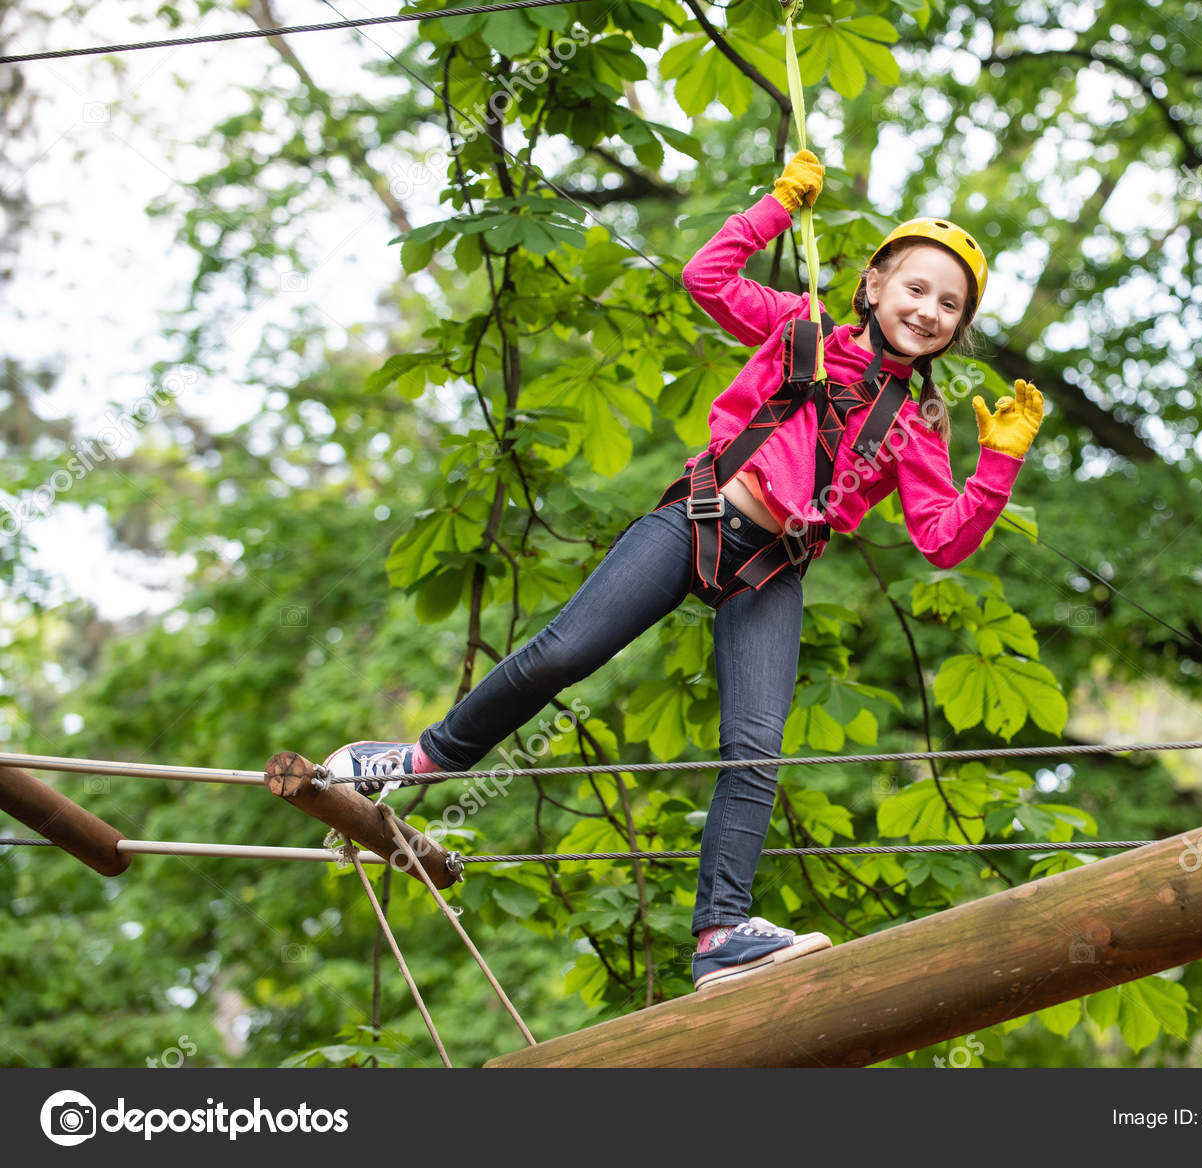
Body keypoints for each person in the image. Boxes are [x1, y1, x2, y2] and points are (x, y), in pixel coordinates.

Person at [327, 151, 1046, 990]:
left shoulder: (918, 424)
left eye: (949, 306)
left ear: (957, 332)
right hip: (699, 520)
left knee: (755, 748)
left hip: (772, 569)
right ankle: (426, 758)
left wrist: (997, 463)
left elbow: (941, 539)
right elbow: (707, 278)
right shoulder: (798, 325)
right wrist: (776, 206)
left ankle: (720, 935)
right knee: (563, 652)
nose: (927, 310)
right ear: (875, 283)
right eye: (916, 287)